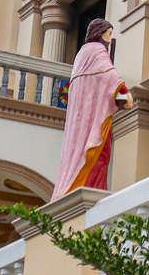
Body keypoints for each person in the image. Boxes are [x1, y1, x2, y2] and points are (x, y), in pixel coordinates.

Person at [55, 19, 134, 196]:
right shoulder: (97, 50)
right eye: (109, 34)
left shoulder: (81, 54)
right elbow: (109, 75)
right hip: (94, 115)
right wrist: (125, 91)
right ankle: (93, 188)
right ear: (100, 33)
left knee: (84, 151)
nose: (109, 38)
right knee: (99, 152)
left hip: (81, 116)